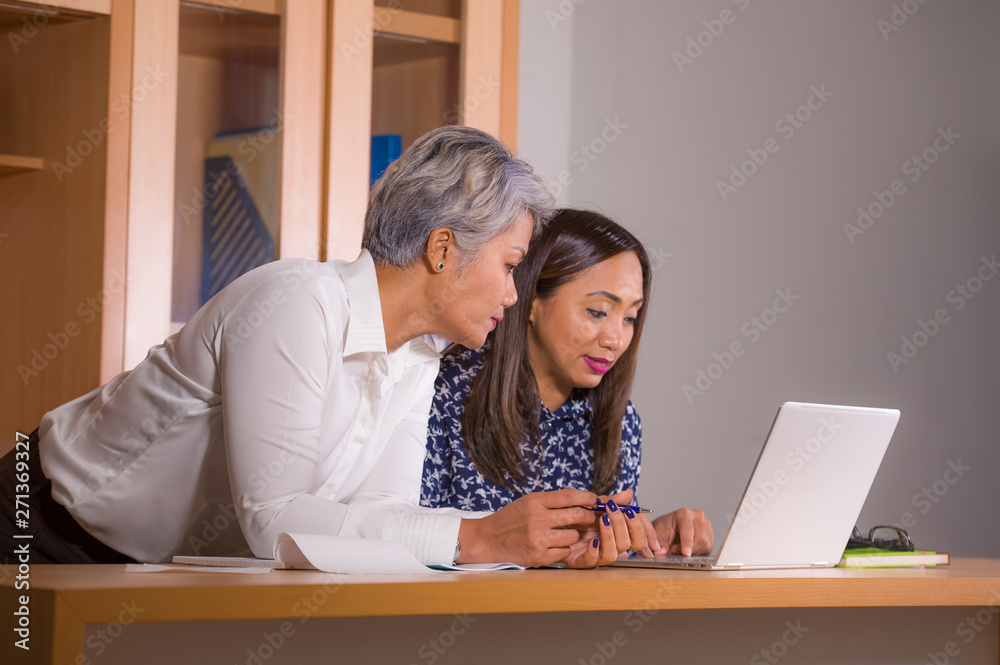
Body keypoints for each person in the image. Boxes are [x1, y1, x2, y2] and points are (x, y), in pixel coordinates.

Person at [1, 127, 609, 568]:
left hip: (152, 566)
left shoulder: (421, 353)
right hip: (37, 525)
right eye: (508, 266)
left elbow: (383, 511)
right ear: (443, 249)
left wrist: (507, 542)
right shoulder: (299, 303)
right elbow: (274, 519)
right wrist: (477, 538)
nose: (511, 294)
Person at [421, 208, 714, 560]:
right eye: (598, 311)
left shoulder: (619, 419)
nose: (616, 339)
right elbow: (401, 538)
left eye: (630, 318)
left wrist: (649, 540)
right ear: (531, 302)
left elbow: (596, 563)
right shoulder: (442, 391)